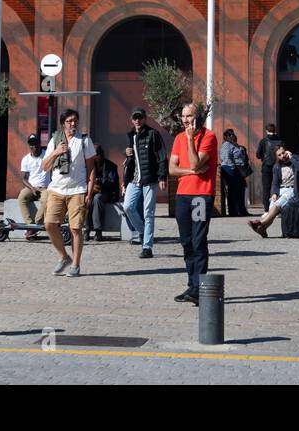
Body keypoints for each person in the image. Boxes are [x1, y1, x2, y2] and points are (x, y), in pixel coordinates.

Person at [170, 103, 218, 305]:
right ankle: (192, 285)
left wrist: (191, 140)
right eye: (183, 116)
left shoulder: (208, 137)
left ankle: (199, 288)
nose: (185, 120)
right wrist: (190, 171)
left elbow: (196, 162)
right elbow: (172, 169)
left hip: (200, 195)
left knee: (198, 241)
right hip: (183, 195)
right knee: (186, 242)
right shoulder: (178, 138)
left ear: (198, 118)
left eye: (189, 116)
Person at [42, 108, 96, 276]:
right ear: (63, 123)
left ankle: (75, 265)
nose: (73, 124)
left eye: (75, 120)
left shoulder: (84, 141)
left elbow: (91, 168)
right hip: (56, 189)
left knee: (75, 229)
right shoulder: (54, 140)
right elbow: (45, 167)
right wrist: (56, 152)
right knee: (49, 225)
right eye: (69, 121)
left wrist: (89, 192)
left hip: (77, 190)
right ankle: (64, 257)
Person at [124, 107, 166, 258]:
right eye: (135, 118)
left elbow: (162, 156)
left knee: (149, 213)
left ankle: (147, 247)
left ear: (145, 118)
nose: (137, 120)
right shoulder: (130, 136)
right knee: (127, 207)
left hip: (150, 179)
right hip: (134, 179)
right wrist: (126, 152)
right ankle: (142, 231)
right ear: (131, 119)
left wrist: (162, 177)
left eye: (140, 117)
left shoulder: (153, 134)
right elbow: (130, 159)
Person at [247, 145, 299, 237]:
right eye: (279, 155)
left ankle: (261, 223)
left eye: (283, 153)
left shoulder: (297, 159)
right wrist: (274, 193)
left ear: (286, 150)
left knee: (276, 206)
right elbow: (275, 182)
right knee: (273, 205)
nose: (282, 156)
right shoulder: (277, 166)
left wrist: (292, 159)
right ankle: (263, 228)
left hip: (292, 189)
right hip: (281, 190)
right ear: (277, 157)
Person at [17, 133, 49, 241]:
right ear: (29, 145)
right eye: (31, 144)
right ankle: (29, 224)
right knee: (21, 198)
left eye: (35, 143)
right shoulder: (26, 159)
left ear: (39, 144)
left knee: (47, 200)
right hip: (32, 187)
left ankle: (35, 225)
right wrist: (32, 188)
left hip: (45, 187)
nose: (34, 146)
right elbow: (24, 179)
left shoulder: (46, 155)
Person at [87, 144, 121, 241]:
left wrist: (97, 181)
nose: (94, 158)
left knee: (97, 198)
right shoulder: (89, 165)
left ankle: (98, 231)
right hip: (93, 192)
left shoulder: (111, 166)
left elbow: (111, 181)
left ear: (100, 155)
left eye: (96, 155)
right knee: (88, 199)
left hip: (107, 192)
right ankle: (87, 229)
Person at [219, 128, 251, 216]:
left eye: (232, 134)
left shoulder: (234, 145)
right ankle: (233, 211)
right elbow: (226, 158)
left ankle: (242, 210)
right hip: (230, 168)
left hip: (238, 169)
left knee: (241, 189)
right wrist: (233, 167)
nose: (232, 136)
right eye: (229, 135)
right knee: (233, 190)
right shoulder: (226, 145)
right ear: (225, 137)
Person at [256, 123, 280, 211]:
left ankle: (267, 209)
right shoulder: (280, 141)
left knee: (266, 188)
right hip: (278, 167)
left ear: (266, 131)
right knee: (278, 186)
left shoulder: (263, 141)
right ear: (275, 130)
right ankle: (277, 209)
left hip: (267, 167)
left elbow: (258, 155)